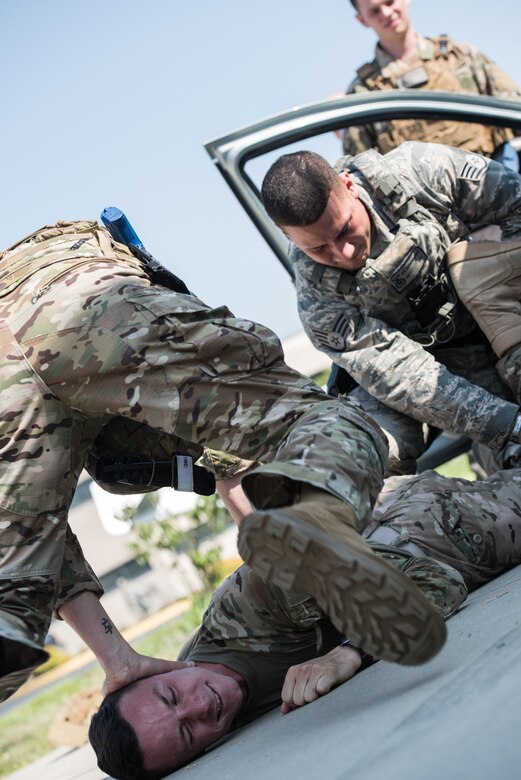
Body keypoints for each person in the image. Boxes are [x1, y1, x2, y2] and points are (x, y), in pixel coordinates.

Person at [0, 219, 446, 704]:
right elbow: (236, 471)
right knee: (308, 418)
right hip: (68, 287)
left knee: (17, 570)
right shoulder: (146, 406)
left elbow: (37, 536)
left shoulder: (105, 435)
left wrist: (118, 659)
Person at [88, 464, 521, 779]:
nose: (200, 707)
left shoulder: (255, 601)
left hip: (436, 524)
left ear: (153, 670)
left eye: (170, 696)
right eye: (187, 734)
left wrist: (349, 653)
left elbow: (434, 581)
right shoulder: (214, 705)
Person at [260, 142, 521, 475]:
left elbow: (514, 202)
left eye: (344, 230)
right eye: (319, 248)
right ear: (291, 240)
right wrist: (508, 424)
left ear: (349, 186)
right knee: (360, 449)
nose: (344, 252)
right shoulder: (317, 299)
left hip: (499, 307)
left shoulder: (420, 171)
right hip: (431, 370)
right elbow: (405, 377)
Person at [341, 0, 521, 171]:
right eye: (375, 11)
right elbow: (360, 170)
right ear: (362, 20)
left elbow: (515, 109)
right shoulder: (364, 93)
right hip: (421, 202)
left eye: (389, 2)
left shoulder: (460, 57)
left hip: (493, 183)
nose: (387, 13)